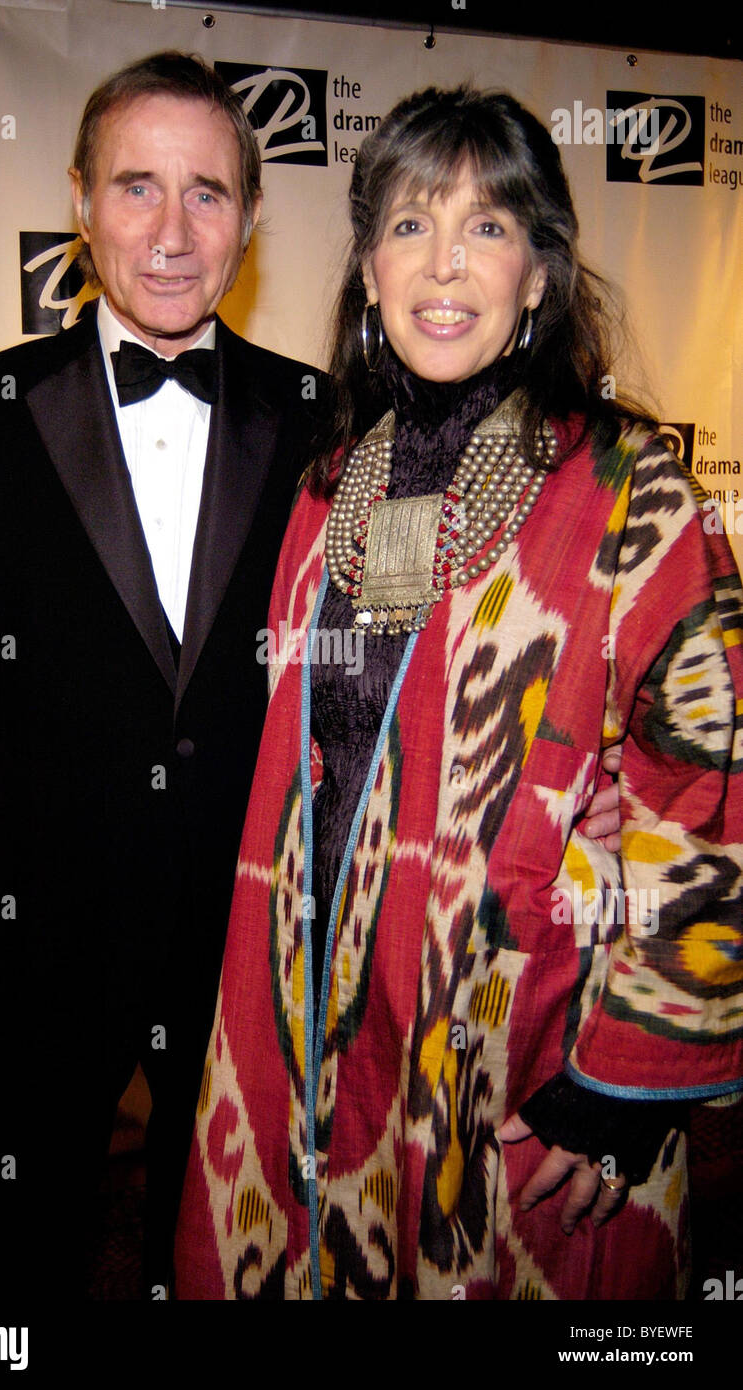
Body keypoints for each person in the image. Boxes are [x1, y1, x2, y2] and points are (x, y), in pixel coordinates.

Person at [174, 83, 743, 1300]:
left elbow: (709, 778)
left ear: (538, 273)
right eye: (410, 223)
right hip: (328, 1012)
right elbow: (362, 730)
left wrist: (625, 1074)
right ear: (368, 267)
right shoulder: (343, 481)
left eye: (487, 227)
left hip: (526, 1033)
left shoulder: (631, 488)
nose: (444, 264)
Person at [0, 51, 326, 1299]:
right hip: (36, 947)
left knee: (243, 1259)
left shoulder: (323, 420)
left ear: (248, 218)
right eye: (137, 187)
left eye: (207, 193)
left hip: (253, 944)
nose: (173, 232)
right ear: (80, 200)